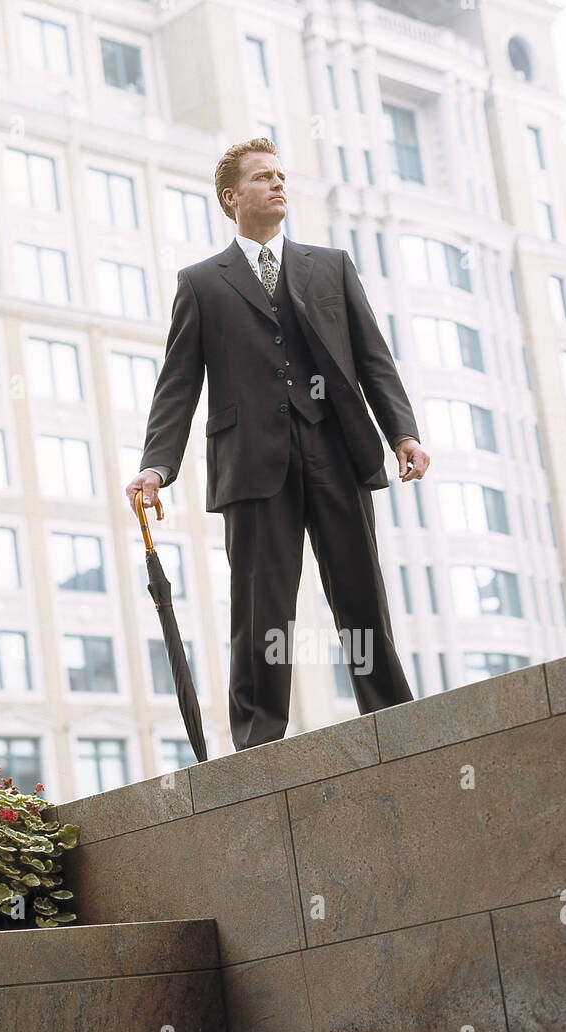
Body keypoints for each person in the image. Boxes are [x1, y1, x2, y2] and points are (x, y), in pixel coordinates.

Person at [125, 137, 431, 751]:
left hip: (335, 451)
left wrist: (403, 431)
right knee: (261, 610)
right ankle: (259, 740)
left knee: (360, 592)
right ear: (231, 197)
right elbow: (178, 385)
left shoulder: (331, 265)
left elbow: (374, 358)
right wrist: (156, 468)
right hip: (252, 465)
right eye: (263, 177)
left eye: (282, 176)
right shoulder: (202, 284)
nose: (278, 185)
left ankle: (390, 716)